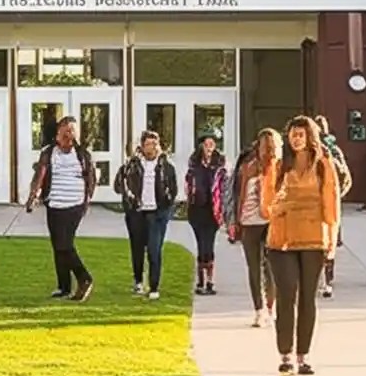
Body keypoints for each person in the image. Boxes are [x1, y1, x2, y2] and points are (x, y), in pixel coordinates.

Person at [262, 116, 339, 376]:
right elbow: (267, 206)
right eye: (293, 134)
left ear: (310, 137)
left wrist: (331, 240)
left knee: (308, 298)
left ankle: (303, 356)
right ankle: (285, 353)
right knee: (287, 293)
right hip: (281, 240)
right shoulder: (279, 166)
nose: (296, 139)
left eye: (301, 134)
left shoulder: (323, 166)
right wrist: (283, 206)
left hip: (314, 238)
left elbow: (331, 204)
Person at [26, 116, 97, 301]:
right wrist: (33, 197)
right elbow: (40, 175)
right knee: (58, 246)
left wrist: (87, 200)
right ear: (57, 135)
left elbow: (91, 178)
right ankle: (63, 287)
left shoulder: (82, 155)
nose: (68, 135)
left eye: (72, 131)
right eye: (65, 132)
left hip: (74, 205)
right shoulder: (49, 153)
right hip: (54, 203)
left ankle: (84, 278)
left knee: (64, 244)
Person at [224, 129, 281, 327]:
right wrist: (232, 220)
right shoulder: (246, 165)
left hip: (271, 222)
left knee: (271, 267)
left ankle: (270, 306)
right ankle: (259, 309)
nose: (268, 150)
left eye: (272, 146)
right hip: (249, 222)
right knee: (254, 267)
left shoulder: (280, 167)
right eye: (265, 145)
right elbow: (234, 192)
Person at [113, 131, 177, 300]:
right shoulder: (132, 165)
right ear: (142, 146)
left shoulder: (166, 166)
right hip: (137, 212)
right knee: (137, 248)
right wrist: (129, 200)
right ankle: (138, 281)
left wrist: (167, 203)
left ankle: (154, 286)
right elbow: (118, 186)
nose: (152, 148)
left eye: (155, 144)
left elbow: (173, 187)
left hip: (157, 213)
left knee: (154, 249)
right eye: (148, 144)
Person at [313, 115, 352, 297]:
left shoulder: (314, 152)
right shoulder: (334, 150)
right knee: (330, 243)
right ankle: (328, 280)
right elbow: (345, 176)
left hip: (316, 202)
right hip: (331, 202)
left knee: (317, 243)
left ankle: (320, 279)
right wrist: (338, 195)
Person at [185, 129, 227, 296]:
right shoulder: (194, 164)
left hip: (213, 211)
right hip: (197, 210)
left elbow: (224, 186)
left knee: (208, 245)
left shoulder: (220, 164)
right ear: (201, 146)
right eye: (207, 144)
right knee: (201, 244)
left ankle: (209, 281)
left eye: (212, 144)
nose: (209, 147)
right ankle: (201, 280)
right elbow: (189, 184)